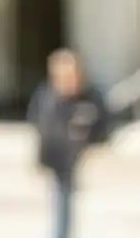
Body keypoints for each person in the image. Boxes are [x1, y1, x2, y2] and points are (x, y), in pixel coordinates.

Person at [27, 49, 111, 238]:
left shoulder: (91, 98)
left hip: (85, 157)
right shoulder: (48, 98)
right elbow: (40, 124)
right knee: (62, 199)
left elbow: (103, 126)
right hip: (59, 158)